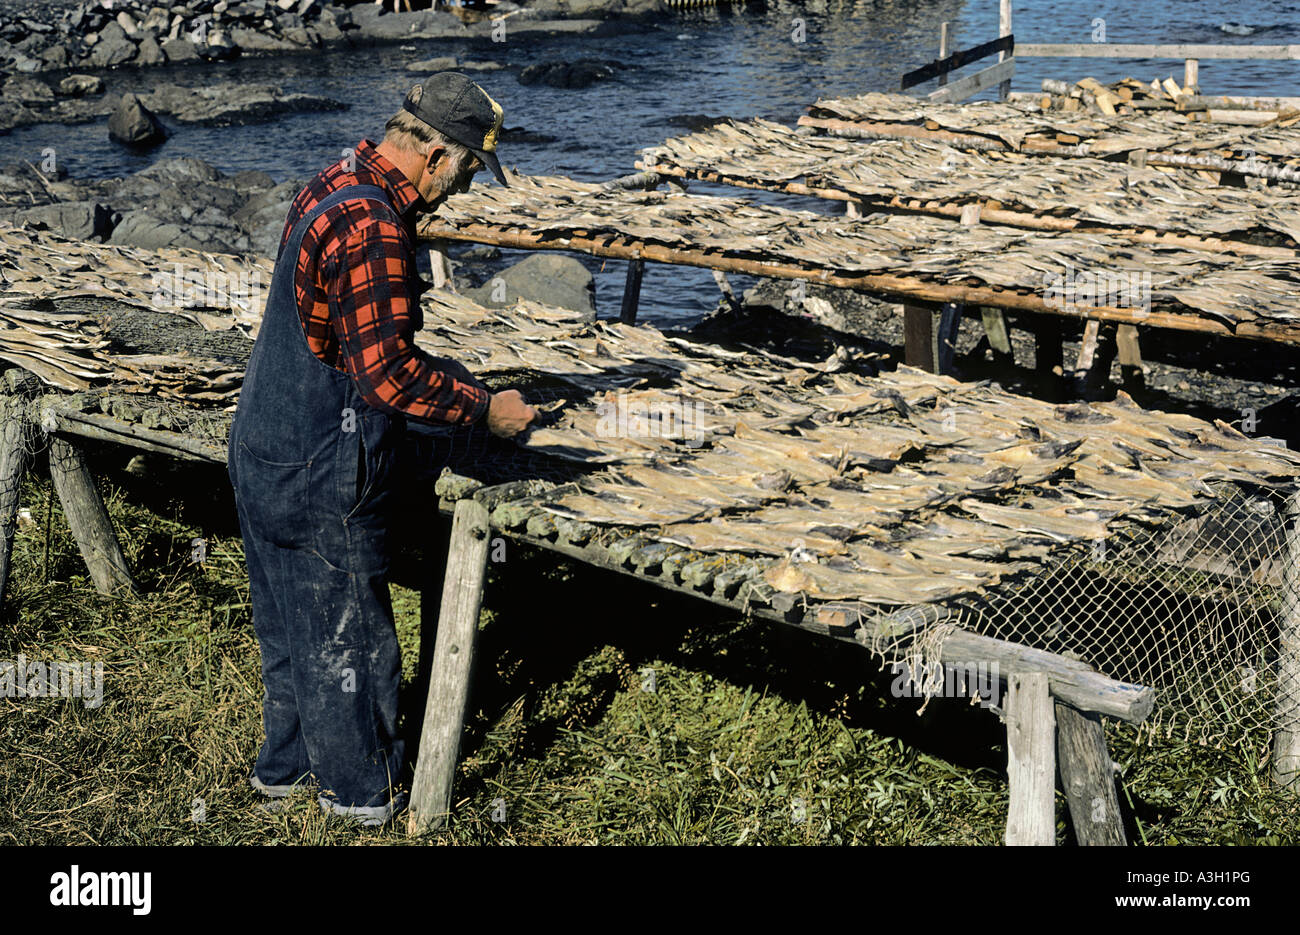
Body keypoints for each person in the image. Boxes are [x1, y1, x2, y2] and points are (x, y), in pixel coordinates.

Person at [226, 73, 536, 827]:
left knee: (290, 631)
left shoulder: (334, 181)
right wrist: (482, 409)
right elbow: (389, 375)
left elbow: (345, 335)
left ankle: (285, 774)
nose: (460, 192)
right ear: (434, 155)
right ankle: (366, 799)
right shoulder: (375, 226)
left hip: (262, 441)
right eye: (464, 172)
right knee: (351, 643)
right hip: (317, 463)